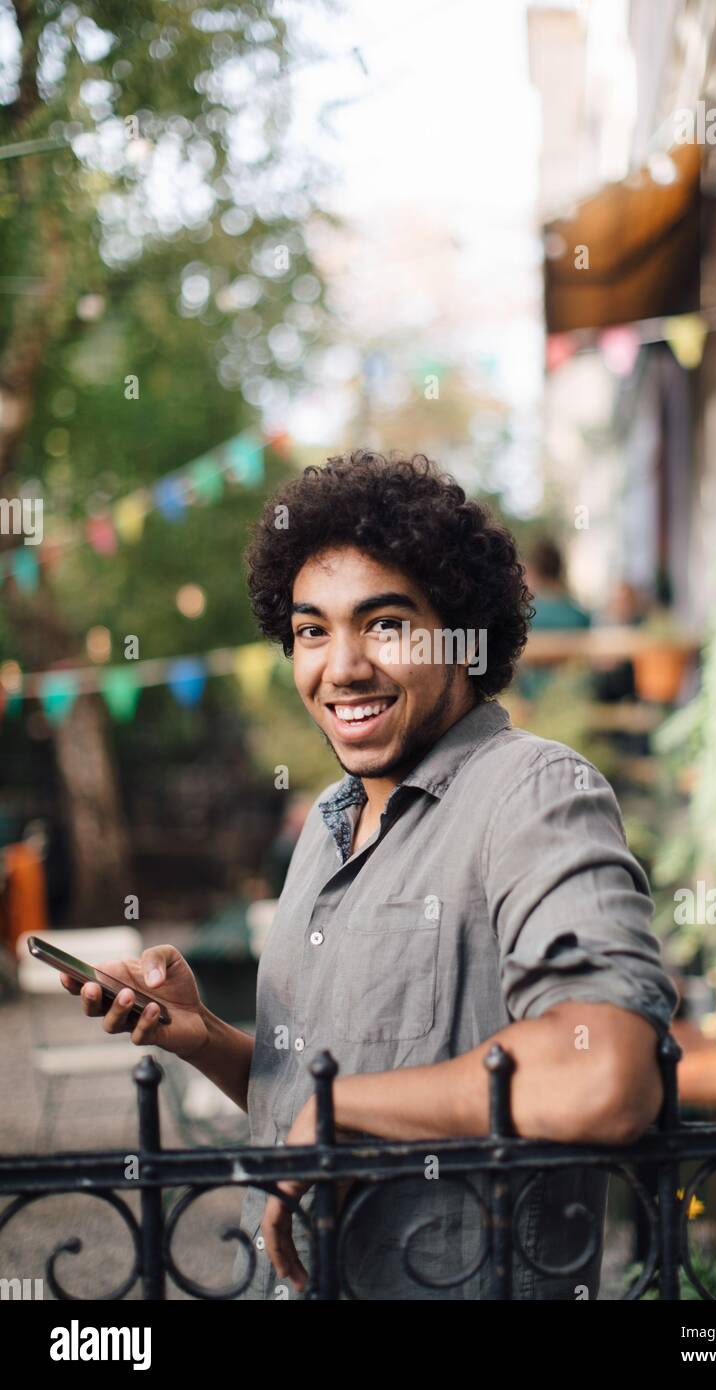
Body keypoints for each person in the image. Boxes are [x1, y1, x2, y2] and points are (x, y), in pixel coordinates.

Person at [60, 450, 678, 1301]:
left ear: (463, 636)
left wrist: (346, 1112)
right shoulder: (327, 822)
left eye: (384, 624)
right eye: (312, 631)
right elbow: (315, 1100)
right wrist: (204, 1036)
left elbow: (608, 1073)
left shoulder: (532, 794)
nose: (341, 667)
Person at [518, 537, 591, 703]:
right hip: (574, 699)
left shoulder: (524, 617)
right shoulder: (580, 616)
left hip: (533, 702)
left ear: (534, 572)